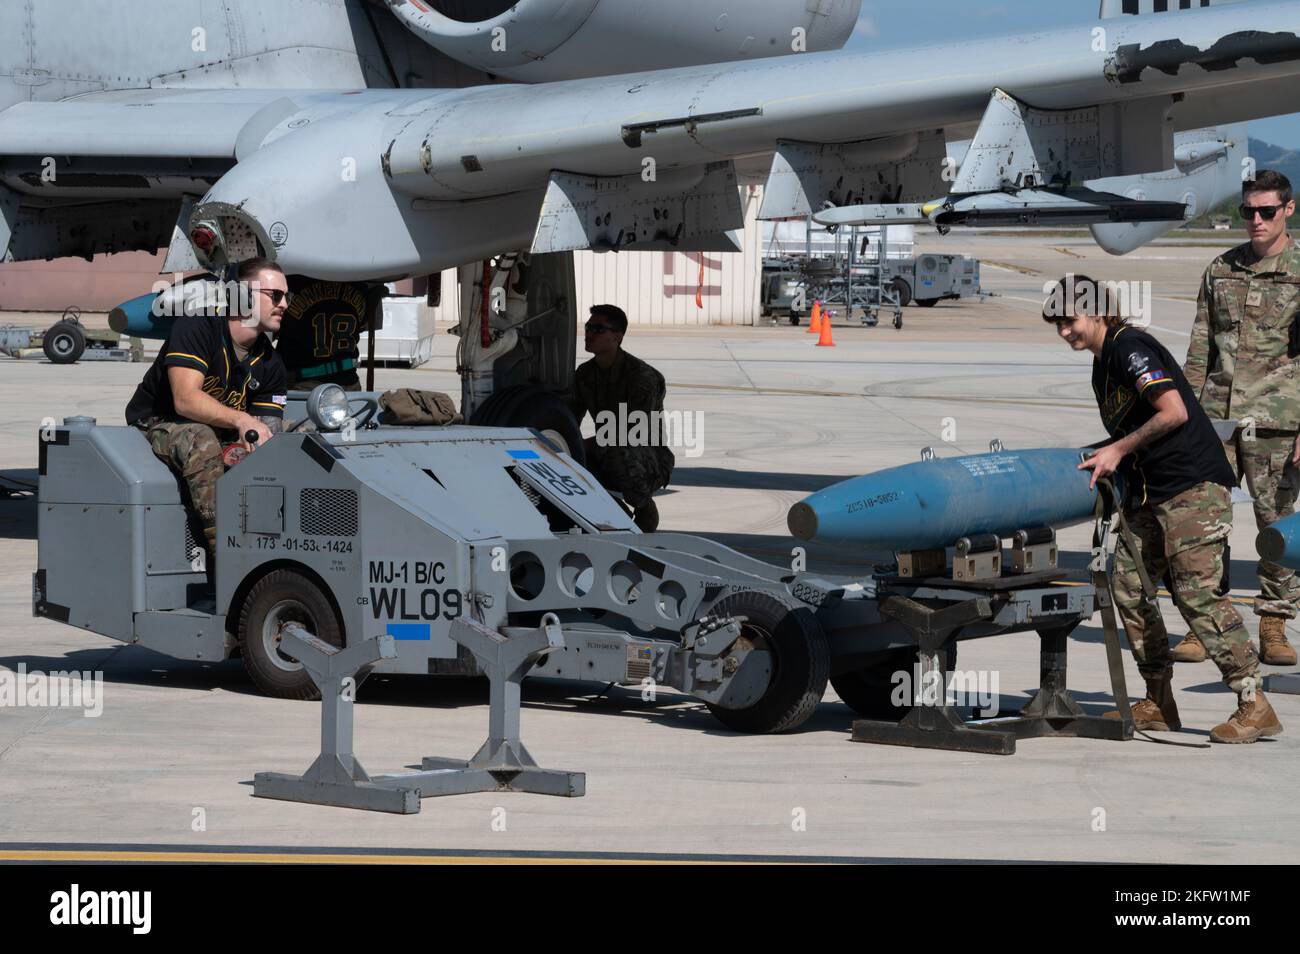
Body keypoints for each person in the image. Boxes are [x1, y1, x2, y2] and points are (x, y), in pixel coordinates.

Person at [1044, 274, 1281, 743]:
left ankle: (1254, 703)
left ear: (1097, 312)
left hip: (1191, 488)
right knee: (1128, 587)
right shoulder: (1101, 365)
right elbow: (1131, 427)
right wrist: (1108, 452)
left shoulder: (1128, 347)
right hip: (1151, 494)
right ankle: (1159, 700)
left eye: (1069, 320)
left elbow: (1173, 411)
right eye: (1057, 324)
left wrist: (1117, 449)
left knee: (1197, 595)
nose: (1064, 332)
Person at [1183, 169, 1300, 666]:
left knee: (1275, 523)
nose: (1255, 220)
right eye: (1247, 211)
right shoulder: (1220, 269)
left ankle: (1273, 624)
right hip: (1216, 421)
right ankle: (1206, 625)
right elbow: (1198, 349)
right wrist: (1183, 419)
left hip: (1278, 422)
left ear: (1287, 210)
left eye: (1266, 211)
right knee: (1205, 526)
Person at [125, 258, 290, 561]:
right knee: (201, 440)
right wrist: (240, 419)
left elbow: (268, 430)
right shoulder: (198, 326)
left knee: (300, 439)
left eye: (286, 297)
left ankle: (277, 541)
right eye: (275, 295)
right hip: (158, 422)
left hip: (220, 430)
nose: (284, 305)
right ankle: (225, 557)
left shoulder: (271, 363)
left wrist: (253, 447)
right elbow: (184, 400)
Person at [568, 304, 675, 532]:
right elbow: (571, 421)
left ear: (617, 336)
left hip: (645, 455)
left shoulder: (642, 377)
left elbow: (631, 432)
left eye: (598, 329)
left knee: (619, 449)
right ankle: (615, 510)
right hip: (605, 448)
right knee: (566, 456)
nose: (589, 334)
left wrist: (583, 445)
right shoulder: (585, 374)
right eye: (588, 327)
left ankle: (644, 507)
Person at [276, 277, 383, 392]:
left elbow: (270, 329)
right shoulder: (363, 281)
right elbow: (364, 325)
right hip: (348, 382)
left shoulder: (290, 281)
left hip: (304, 384)